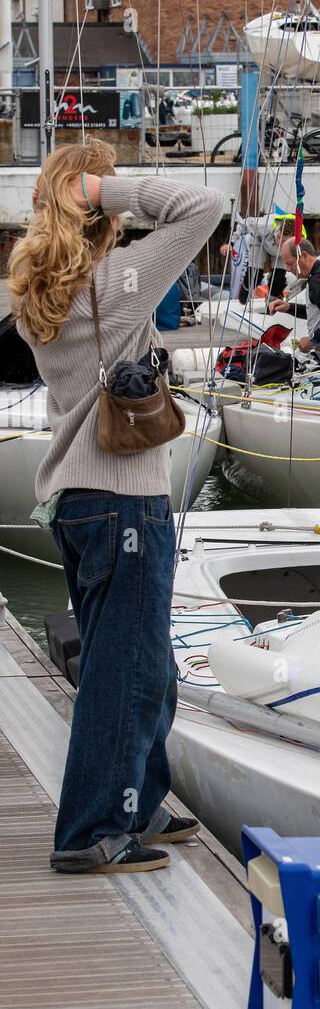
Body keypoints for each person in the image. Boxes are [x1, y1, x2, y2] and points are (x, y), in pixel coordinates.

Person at [8, 140, 223, 874]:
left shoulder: (38, 289)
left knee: (146, 662)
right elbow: (203, 206)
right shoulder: (117, 283)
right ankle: (93, 829)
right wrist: (105, 186)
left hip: (79, 502)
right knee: (124, 669)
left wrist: (86, 195)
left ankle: (140, 797)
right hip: (123, 501)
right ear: (86, 200)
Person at [270, 237, 320, 373]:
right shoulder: (318, 272)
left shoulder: (318, 279)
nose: (288, 269)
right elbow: (318, 311)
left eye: (289, 263)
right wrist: (289, 307)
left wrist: (313, 340)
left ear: (304, 256)